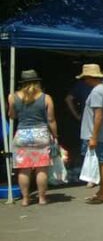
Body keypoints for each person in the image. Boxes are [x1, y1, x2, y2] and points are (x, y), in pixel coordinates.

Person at [7, 70, 58, 206]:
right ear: (37, 82)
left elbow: (12, 115)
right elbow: (51, 119)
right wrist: (55, 135)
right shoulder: (46, 98)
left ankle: (25, 199)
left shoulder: (12, 97)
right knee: (42, 168)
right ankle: (42, 198)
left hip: (22, 135)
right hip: (41, 134)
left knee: (24, 169)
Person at [77, 64, 103, 203]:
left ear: (90, 77)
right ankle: (102, 191)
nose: (85, 80)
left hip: (98, 134)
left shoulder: (96, 92)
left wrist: (93, 136)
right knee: (102, 161)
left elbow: (98, 115)